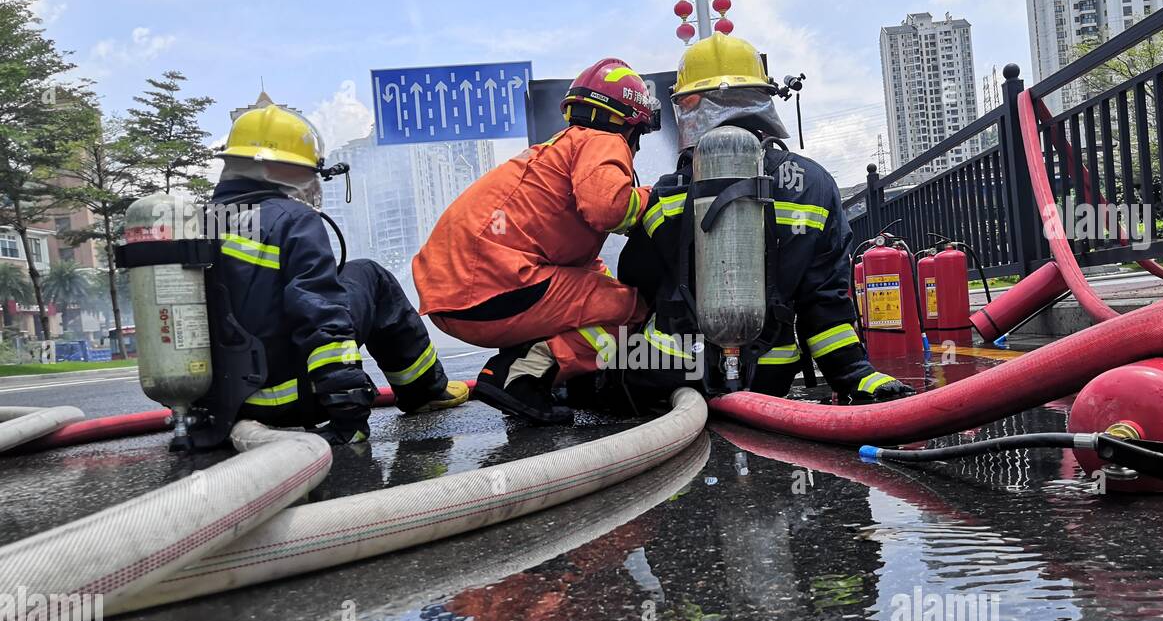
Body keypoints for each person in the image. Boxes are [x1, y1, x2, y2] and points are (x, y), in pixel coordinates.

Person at [612, 33, 915, 408]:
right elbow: (824, 302)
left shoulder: (666, 193)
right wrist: (856, 376)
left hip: (672, 374)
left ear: (688, 110)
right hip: (769, 378)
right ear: (762, 101)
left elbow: (634, 281)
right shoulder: (814, 186)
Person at [412, 58, 660, 425]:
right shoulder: (603, 141)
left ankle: (531, 375)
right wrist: (653, 199)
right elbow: (607, 208)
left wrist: (608, 286)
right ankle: (524, 372)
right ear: (631, 123)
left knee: (608, 297)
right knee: (634, 309)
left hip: (462, 295)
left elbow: (575, 268)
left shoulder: (559, 152)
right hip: (494, 288)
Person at [211, 96, 467, 445]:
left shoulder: (203, 223)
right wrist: (348, 410)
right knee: (370, 275)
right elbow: (321, 316)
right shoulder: (293, 221)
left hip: (226, 407)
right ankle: (424, 391)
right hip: (290, 401)